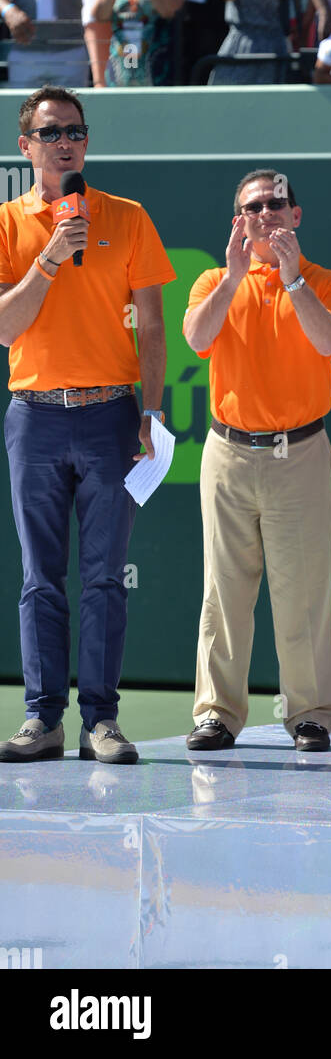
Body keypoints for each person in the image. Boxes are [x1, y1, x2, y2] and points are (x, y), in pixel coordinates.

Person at [0, 86, 175, 766]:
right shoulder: (10, 224)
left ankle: (101, 720)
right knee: (41, 576)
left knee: (103, 577)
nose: (65, 142)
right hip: (33, 417)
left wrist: (153, 412)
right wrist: (49, 258)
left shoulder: (126, 217)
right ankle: (42, 719)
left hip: (110, 416)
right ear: (26, 147)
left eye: (74, 131)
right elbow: (5, 327)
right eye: (50, 134)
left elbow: (154, 326)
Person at [182, 169, 331, 753]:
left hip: (300, 452)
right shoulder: (212, 280)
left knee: (303, 593)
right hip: (228, 453)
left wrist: (293, 280)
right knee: (222, 592)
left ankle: (309, 714)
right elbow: (196, 338)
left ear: (296, 215)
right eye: (253, 207)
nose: (266, 215)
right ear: (239, 221)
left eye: (276, 204)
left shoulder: (328, 283)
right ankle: (216, 713)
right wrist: (233, 280)